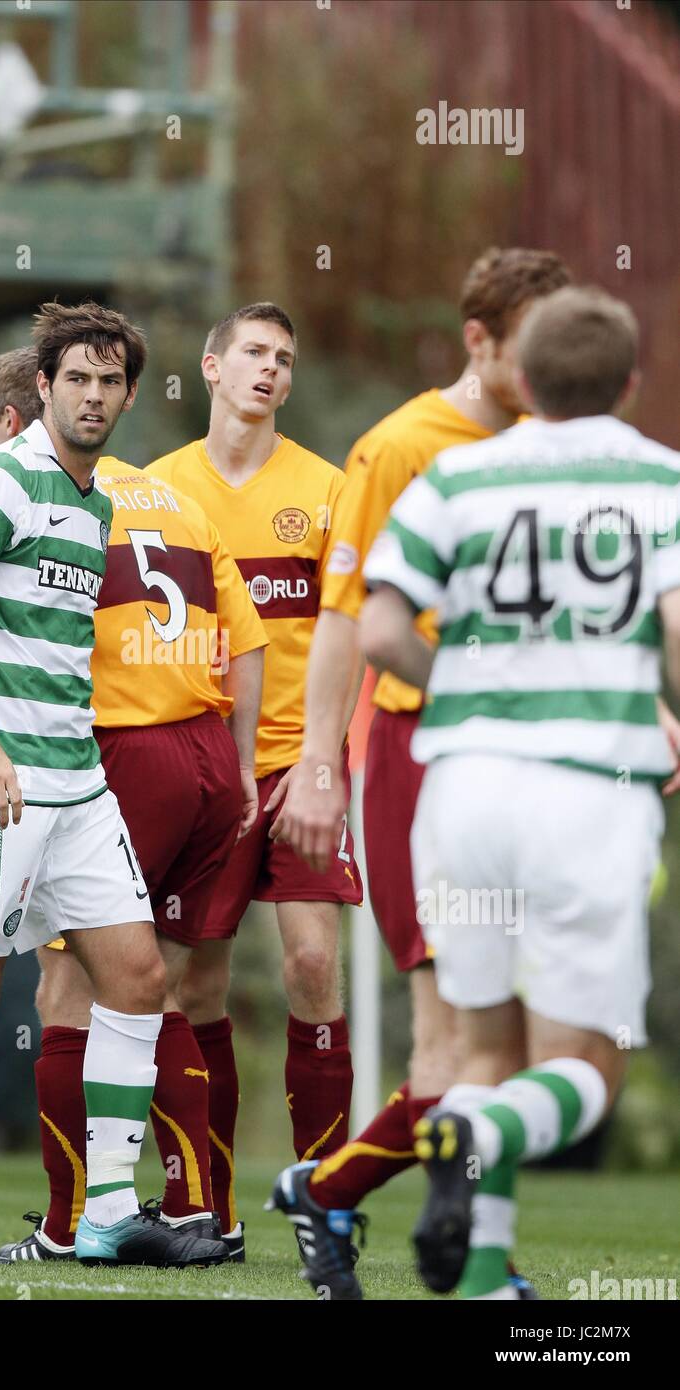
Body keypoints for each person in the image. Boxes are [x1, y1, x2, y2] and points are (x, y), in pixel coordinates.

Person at [0, 304, 228, 1268]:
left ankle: (108, 1212)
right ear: (44, 386)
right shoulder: (2, 478)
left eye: (110, 382)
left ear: (128, 395)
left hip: (79, 790)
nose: (93, 395)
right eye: (77, 378)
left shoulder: (100, 497)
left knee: (141, 978)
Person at [359, 285, 680, 1298]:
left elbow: (375, 631)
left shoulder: (456, 475)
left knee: (482, 1042)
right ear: (630, 383)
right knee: (586, 1067)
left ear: (523, 382)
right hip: (587, 791)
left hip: (458, 792)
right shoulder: (659, 482)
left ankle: (484, 1277)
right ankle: (474, 1131)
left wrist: (466, 686)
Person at [268, 248, 570, 1297]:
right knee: (457, 1042)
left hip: (515, 766)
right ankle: (478, 1271)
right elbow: (343, 618)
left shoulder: (548, 447)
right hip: (414, 759)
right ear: (477, 338)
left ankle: (330, 1189)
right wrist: (317, 763)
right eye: (527, 344)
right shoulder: (396, 448)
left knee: (501, 1044)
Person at [0, 353, 266, 1260]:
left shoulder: (55, 494)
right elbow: (247, 640)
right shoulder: (176, 499)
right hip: (212, 756)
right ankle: (199, 1211)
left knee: (67, 991)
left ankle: (66, 1228)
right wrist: (247, 766)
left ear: (14, 420)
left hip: (122, 754)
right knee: (154, 990)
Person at [144, 303, 365, 1250]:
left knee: (315, 966)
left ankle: (327, 1212)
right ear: (211, 368)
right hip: (203, 769)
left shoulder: (328, 487)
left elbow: (352, 633)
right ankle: (205, 1205)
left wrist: (324, 759)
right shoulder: (155, 490)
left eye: (286, 357)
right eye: (254, 354)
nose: (271, 370)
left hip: (301, 766)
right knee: (190, 991)